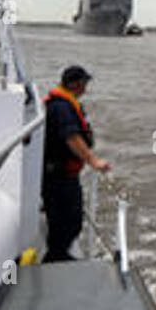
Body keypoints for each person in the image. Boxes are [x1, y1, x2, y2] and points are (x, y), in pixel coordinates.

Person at [41, 65, 111, 262]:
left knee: (68, 221)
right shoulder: (62, 107)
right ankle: (55, 258)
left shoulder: (63, 103)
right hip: (58, 177)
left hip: (62, 175)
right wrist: (93, 161)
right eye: (83, 83)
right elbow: (71, 137)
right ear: (74, 84)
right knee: (68, 222)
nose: (85, 88)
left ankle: (58, 254)